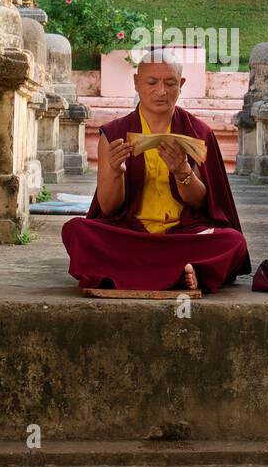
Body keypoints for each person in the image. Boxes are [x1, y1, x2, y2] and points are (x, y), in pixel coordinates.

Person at [60, 47, 250, 293]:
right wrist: (117, 173)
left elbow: (201, 203)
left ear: (181, 84)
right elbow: (108, 208)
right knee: (77, 231)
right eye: (152, 82)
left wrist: (182, 171)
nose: (161, 91)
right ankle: (181, 271)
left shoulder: (198, 133)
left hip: (183, 234)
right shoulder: (115, 135)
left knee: (232, 242)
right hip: (131, 233)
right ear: (136, 82)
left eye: (170, 83)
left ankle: (138, 270)